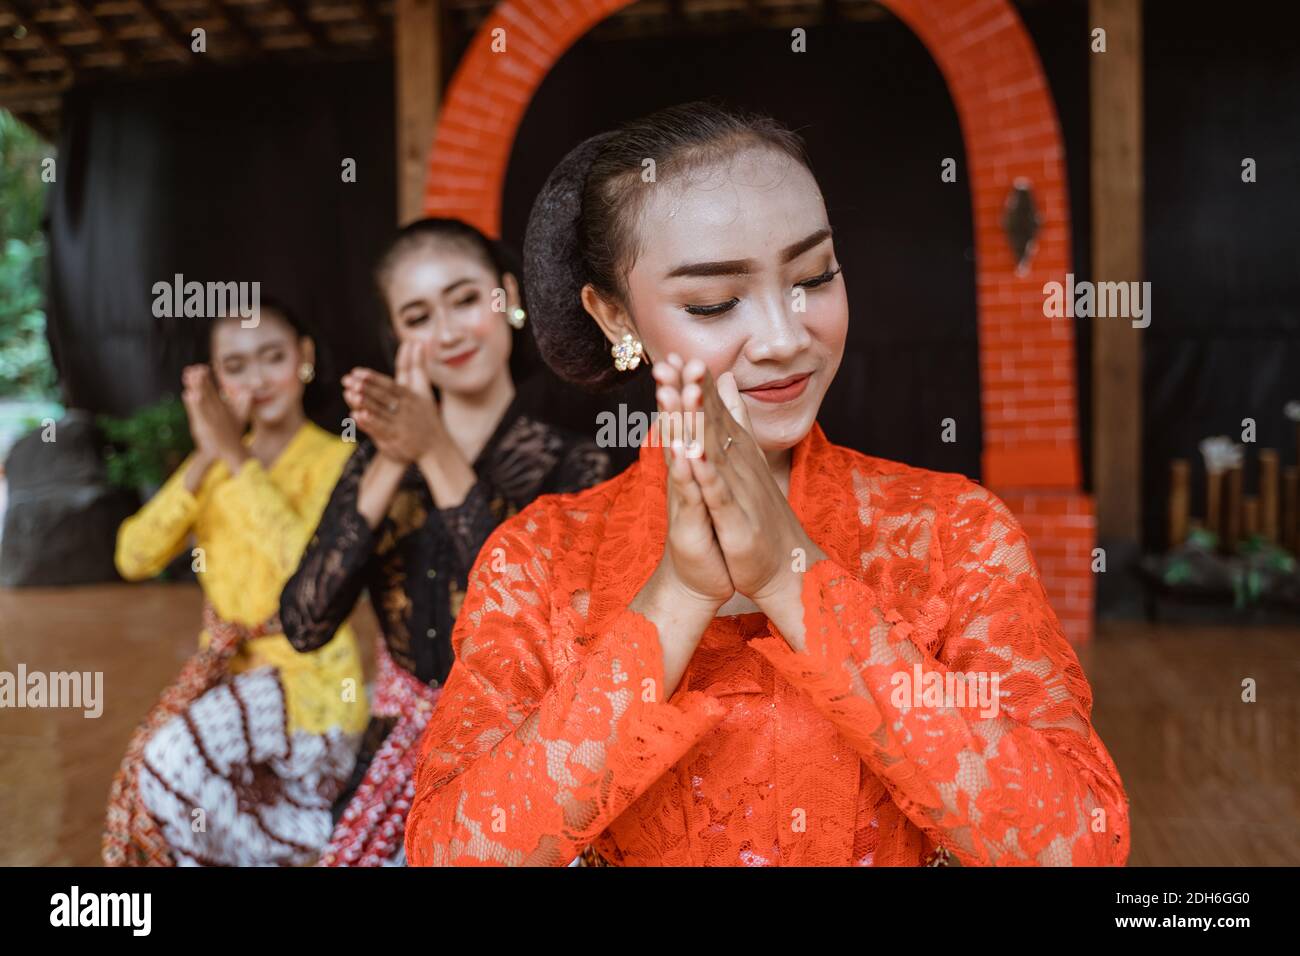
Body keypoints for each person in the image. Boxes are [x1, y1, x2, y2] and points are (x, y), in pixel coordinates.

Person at [403, 102, 1131, 866]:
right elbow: (454, 854)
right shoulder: (538, 562)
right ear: (616, 317)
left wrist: (796, 581)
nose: (787, 338)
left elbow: (1077, 845)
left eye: (814, 276)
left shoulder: (953, 532)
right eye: (715, 302)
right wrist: (678, 599)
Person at [279, 218, 612, 866]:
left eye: (465, 298)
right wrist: (391, 460)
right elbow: (303, 624)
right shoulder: (373, 463)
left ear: (507, 295)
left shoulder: (579, 461)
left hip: (527, 759)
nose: (450, 331)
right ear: (399, 339)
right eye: (418, 315)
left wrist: (435, 449)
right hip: (401, 759)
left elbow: (543, 623)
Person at [105, 300, 367, 867]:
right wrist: (207, 456)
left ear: (305, 359)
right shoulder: (213, 466)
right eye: (236, 366)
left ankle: (326, 843)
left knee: (170, 763)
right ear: (217, 381)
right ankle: (322, 847)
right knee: (176, 808)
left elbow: (310, 573)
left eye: (272, 357)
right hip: (229, 677)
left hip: (312, 688)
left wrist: (233, 456)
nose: (256, 379)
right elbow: (134, 556)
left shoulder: (340, 461)